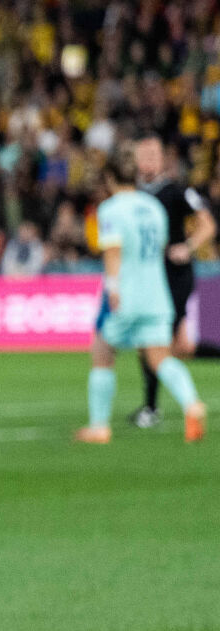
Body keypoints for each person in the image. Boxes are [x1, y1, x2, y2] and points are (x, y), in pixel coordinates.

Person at [77, 154, 207, 444]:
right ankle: (192, 404)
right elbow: (159, 247)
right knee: (160, 357)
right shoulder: (153, 207)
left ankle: (99, 427)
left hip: (127, 292)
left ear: (110, 179)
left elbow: (113, 251)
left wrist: (113, 288)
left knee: (102, 353)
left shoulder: (110, 209)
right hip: (157, 294)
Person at [129, 135, 217, 428]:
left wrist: (188, 248)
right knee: (183, 348)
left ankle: (151, 409)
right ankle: (154, 407)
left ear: (163, 158)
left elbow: (208, 224)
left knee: (151, 342)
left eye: (155, 154)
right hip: (149, 278)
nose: (150, 160)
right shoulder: (133, 194)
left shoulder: (177, 190)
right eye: (145, 154)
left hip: (175, 278)